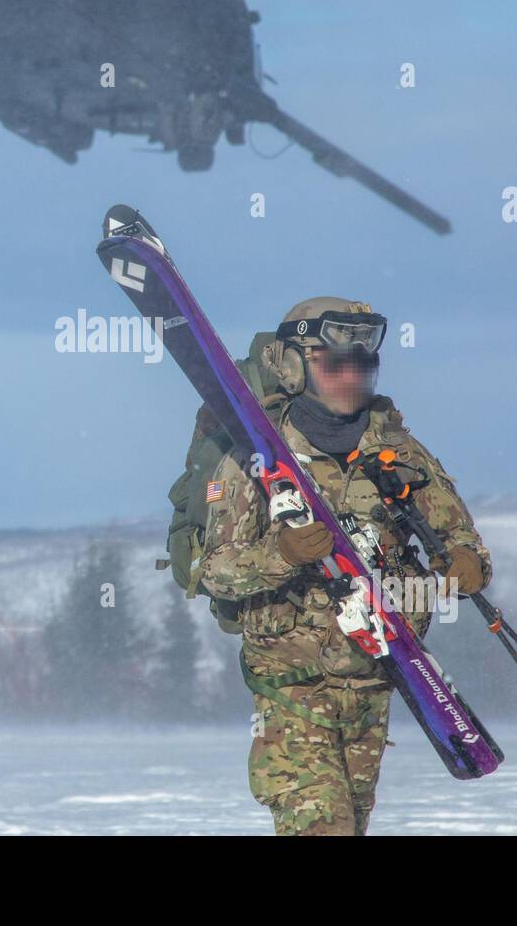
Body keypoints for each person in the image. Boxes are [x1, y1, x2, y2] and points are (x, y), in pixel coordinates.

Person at [195, 298, 493, 835]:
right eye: (333, 365)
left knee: (350, 826)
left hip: (378, 679)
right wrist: (281, 555)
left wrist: (467, 563)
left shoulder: (401, 452)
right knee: (320, 826)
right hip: (292, 691)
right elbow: (214, 570)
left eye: (362, 366)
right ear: (293, 366)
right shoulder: (256, 455)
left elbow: (459, 536)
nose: (350, 378)